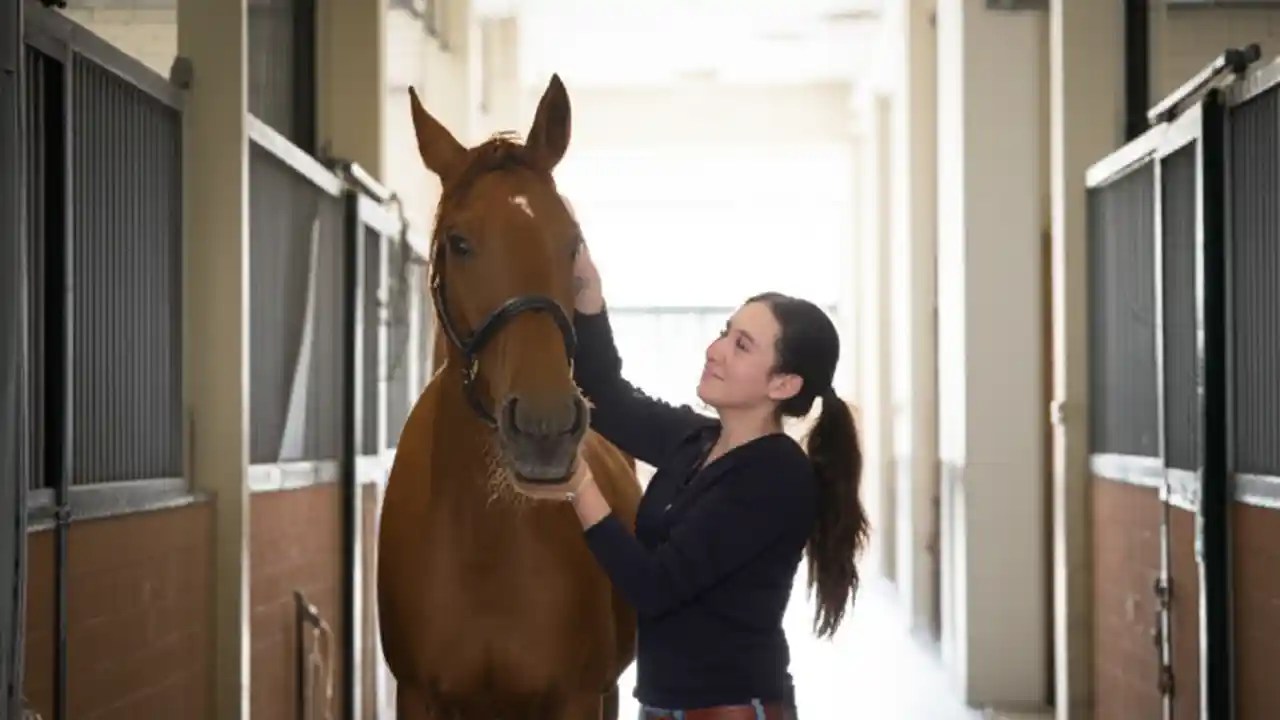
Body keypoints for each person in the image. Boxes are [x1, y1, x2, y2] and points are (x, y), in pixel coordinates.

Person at [548, 234, 869, 720]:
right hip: (665, 706)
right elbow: (608, 399)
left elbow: (654, 587)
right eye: (724, 332)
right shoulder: (696, 439)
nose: (715, 350)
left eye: (741, 345)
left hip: (728, 710)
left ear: (783, 384)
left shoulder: (777, 477)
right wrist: (589, 295)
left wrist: (578, 483)